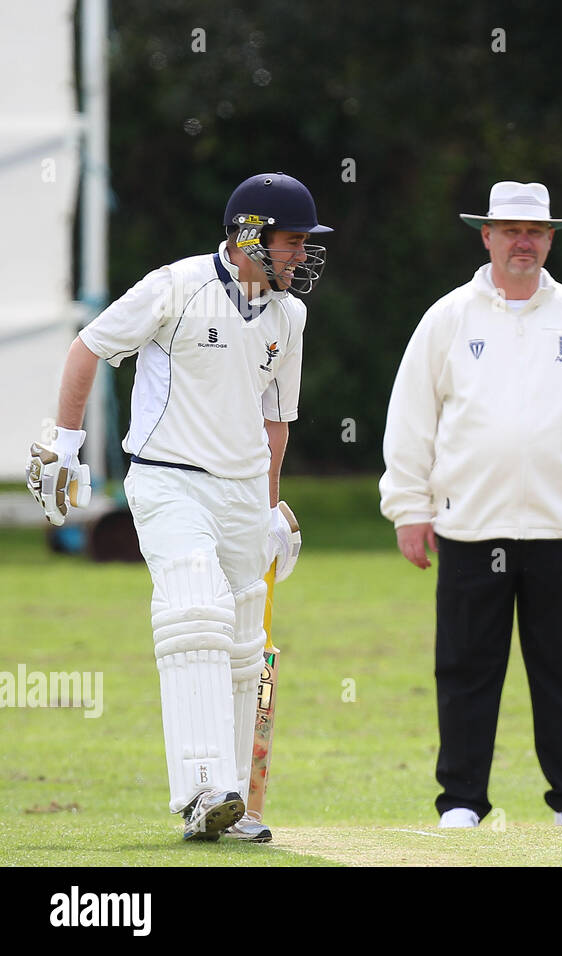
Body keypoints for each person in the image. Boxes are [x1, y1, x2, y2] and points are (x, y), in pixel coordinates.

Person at [26, 172, 330, 841]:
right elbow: (89, 349)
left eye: (306, 244)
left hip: (244, 491)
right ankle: (202, 790)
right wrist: (67, 445)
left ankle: (234, 808)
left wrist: (272, 509)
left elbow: (275, 422)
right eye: (292, 242)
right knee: (196, 609)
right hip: (169, 482)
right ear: (249, 235)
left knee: (245, 644)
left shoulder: (290, 317)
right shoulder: (177, 287)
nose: (302, 256)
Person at [380, 181, 562, 828]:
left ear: (551, 239)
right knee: (466, 671)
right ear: (487, 237)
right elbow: (412, 418)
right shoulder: (448, 318)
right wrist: (408, 508)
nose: (522, 242)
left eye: (535, 232)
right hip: (471, 525)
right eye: (509, 230)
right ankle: (463, 802)